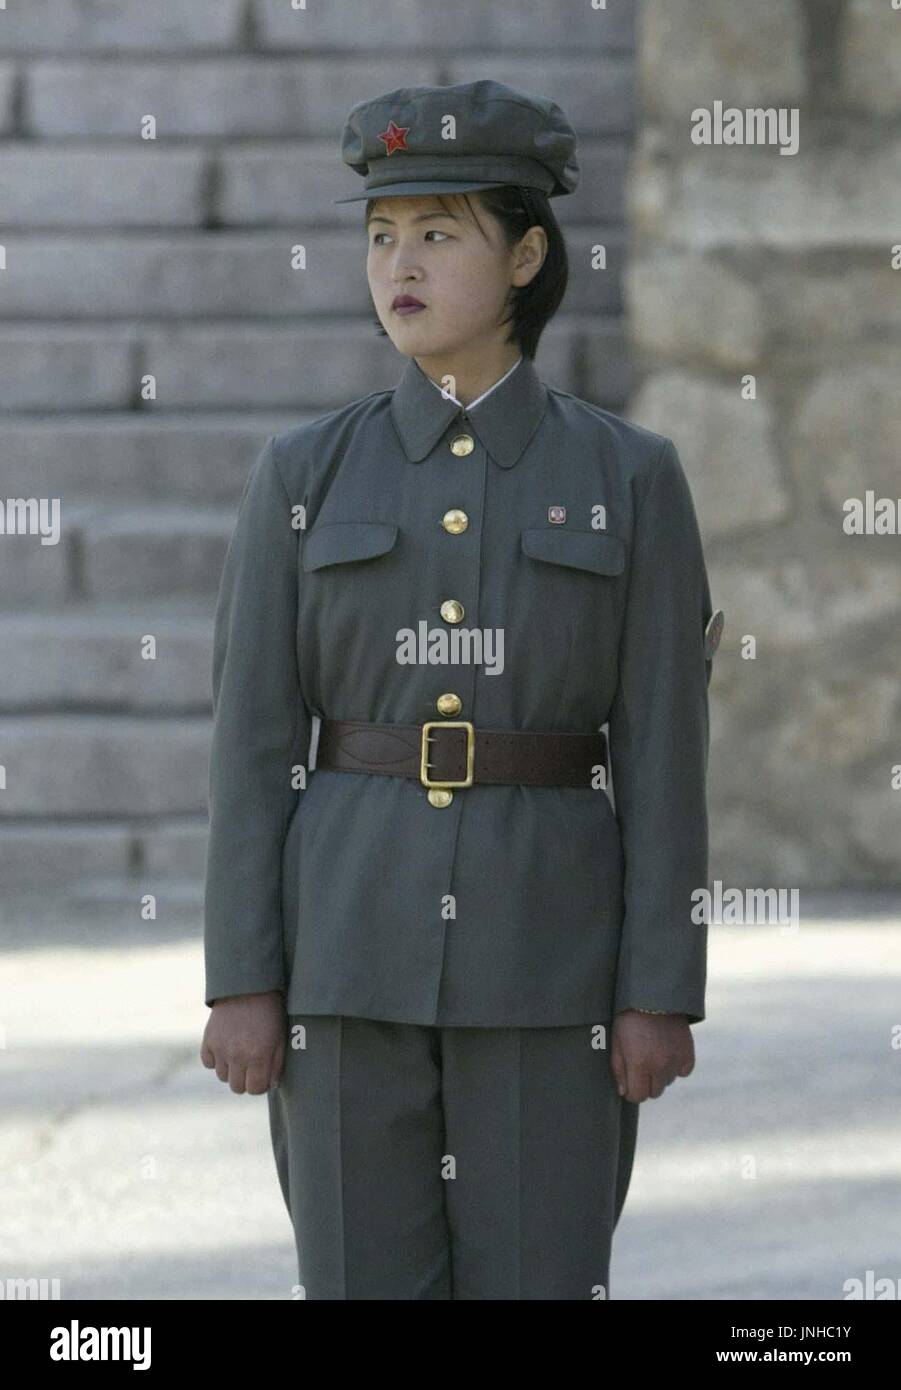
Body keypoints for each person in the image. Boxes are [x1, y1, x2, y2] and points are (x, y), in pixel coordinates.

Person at [199, 79, 724, 1300]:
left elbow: (661, 749)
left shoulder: (629, 476)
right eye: (380, 236)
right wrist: (244, 976)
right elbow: (248, 742)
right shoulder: (302, 471)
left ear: (528, 254)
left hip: (552, 963)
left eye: (438, 233)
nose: (400, 265)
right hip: (345, 950)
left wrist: (658, 988)